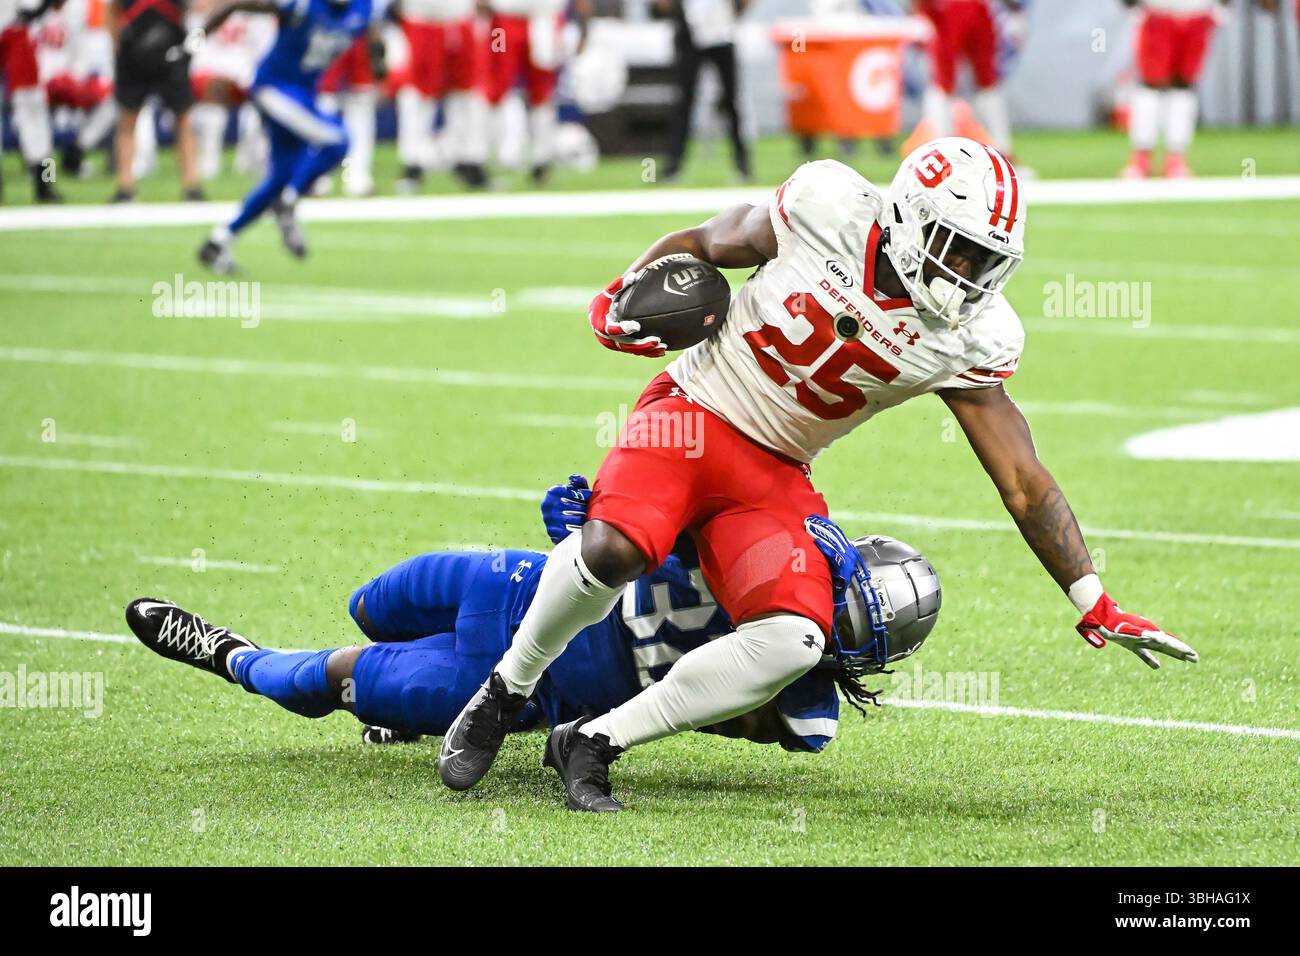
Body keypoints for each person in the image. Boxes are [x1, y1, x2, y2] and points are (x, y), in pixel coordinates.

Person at [440, 137, 1200, 813]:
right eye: (955, 247)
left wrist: (1092, 597)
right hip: (694, 411)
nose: (966, 274)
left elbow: (1022, 479)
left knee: (796, 639)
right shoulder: (826, 204)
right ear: (905, 216)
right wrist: (624, 289)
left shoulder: (974, 335)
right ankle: (505, 690)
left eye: (984, 259)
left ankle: (595, 741)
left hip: (773, 471)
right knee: (613, 550)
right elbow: (707, 242)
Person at [123, 481, 936, 796]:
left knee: (330, 680)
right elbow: (655, 513)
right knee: (368, 603)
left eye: (840, 629)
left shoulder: (799, 707)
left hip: (519, 687)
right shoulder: (752, 542)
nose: (815, 617)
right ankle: (401, 718)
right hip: (508, 581)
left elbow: (712, 706)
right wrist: (596, 525)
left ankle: (232, 655)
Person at [195, 0, 389, 274]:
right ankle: (288, 201)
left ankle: (218, 242)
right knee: (338, 139)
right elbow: (236, 5)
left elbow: (372, 32)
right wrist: (194, 41)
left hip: (303, 95)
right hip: (273, 88)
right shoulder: (301, 5)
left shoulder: (364, 8)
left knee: (280, 177)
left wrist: (378, 60)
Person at [108, 0, 203, 200]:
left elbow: (198, 11)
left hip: (172, 52)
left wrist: (189, 51)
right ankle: (125, 186)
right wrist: (117, 48)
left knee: (183, 118)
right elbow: (112, 10)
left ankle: (191, 185)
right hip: (133, 52)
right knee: (127, 118)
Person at [1120, 0, 1225, 179]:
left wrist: (1221, 9)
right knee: (1150, 85)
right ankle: (1141, 158)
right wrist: (1132, 8)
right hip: (1157, 12)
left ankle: (1176, 158)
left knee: (1184, 86)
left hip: (1198, 12)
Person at [658, 0, 750, 181]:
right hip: (689, 31)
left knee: (731, 101)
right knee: (683, 102)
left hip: (721, 31)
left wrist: (735, 13)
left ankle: (742, 163)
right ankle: (673, 165)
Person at [918, 0, 1022, 158]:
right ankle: (939, 152)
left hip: (969, 8)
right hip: (948, 9)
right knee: (945, 83)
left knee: (982, 82)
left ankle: (1001, 153)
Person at [0, 0, 63, 201]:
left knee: (36, 115)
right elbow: (33, 8)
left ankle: (46, 182)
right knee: (36, 117)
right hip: (16, 31)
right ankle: (45, 185)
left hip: (19, 33)